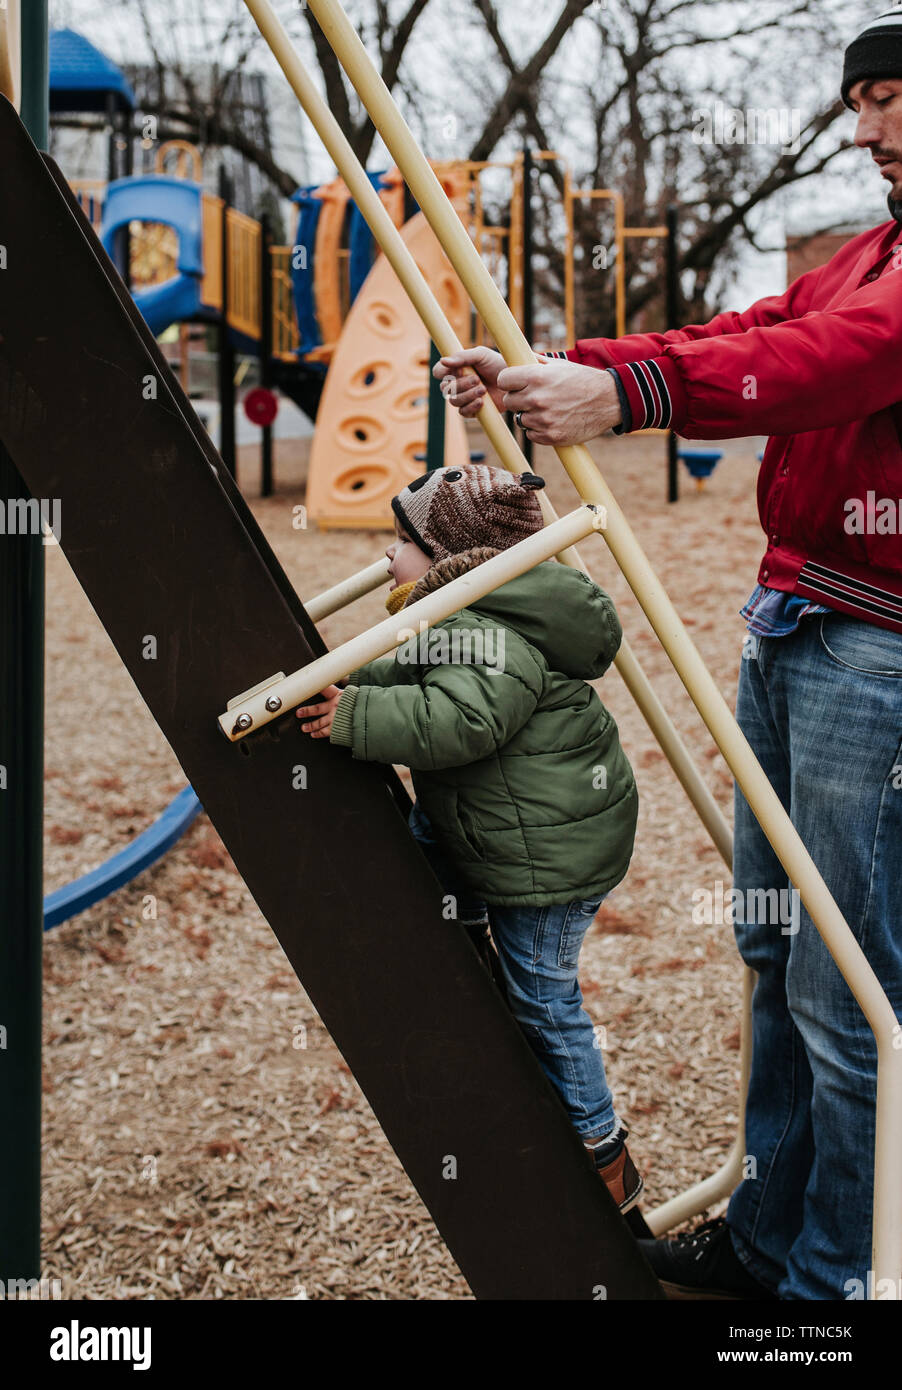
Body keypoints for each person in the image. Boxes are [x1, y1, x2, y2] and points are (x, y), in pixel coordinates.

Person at [433, 8, 902, 1302]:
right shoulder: (867, 251)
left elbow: (825, 365)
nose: (861, 129)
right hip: (799, 620)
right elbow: (754, 328)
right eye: (855, 104)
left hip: (881, 648)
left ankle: (828, 1283)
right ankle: (767, 1244)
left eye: (885, 100)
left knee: (847, 988)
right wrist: (566, 371)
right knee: (772, 951)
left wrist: (626, 400)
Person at [295, 462, 644, 1210]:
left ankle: (601, 1149)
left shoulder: (480, 627)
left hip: (548, 860)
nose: (389, 557)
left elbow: (462, 720)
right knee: (429, 849)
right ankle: (466, 921)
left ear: (452, 555)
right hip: (507, 826)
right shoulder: (465, 611)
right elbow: (411, 670)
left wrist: (353, 718)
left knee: (544, 997)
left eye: (403, 542)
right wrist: (355, 684)